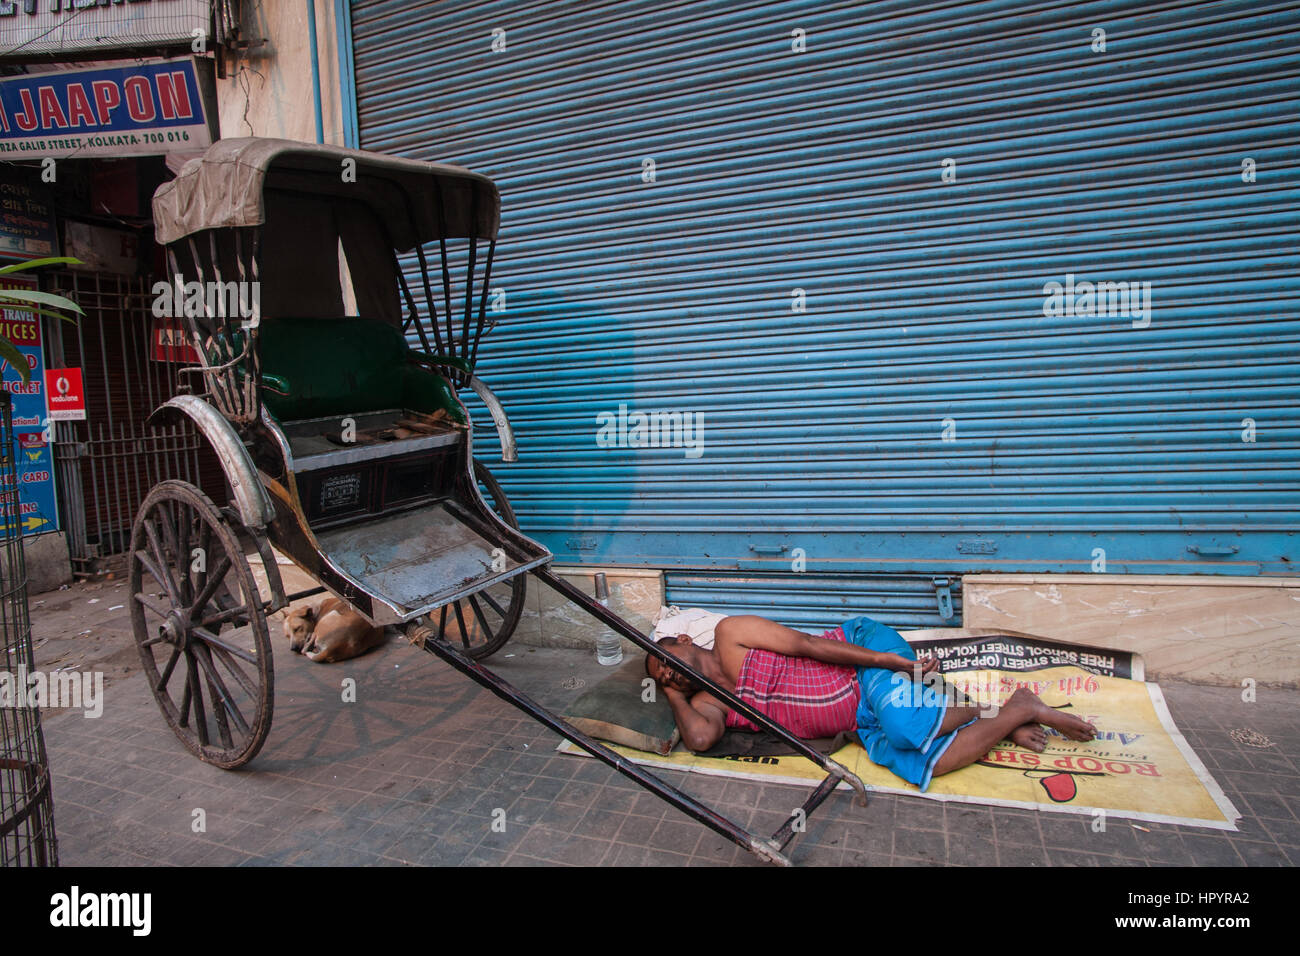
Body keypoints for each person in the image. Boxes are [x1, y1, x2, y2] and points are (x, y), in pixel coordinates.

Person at [645, 614, 1097, 792]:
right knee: (926, 765)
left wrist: (890, 662)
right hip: (859, 722)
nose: (667, 672)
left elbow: (806, 645)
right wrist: (670, 691)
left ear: (684, 639)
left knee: (904, 727)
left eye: (664, 659)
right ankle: (1013, 708)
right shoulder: (712, 702)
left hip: (864, 661)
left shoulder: (729, 634)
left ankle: (986, 709)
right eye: (661, 677)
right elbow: (701, 738)